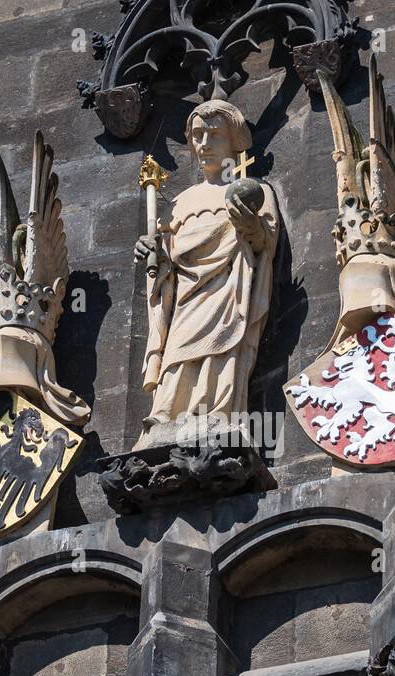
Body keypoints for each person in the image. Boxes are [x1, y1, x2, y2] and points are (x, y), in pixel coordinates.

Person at [132, 99, 278, 448]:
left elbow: (264, 244)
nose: (203, 143)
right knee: (177, 351)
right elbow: (167, 262)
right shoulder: (180, 202)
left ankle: (217, 412)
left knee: (223, 349)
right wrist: (153, 256)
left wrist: (250, 226)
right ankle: (168, 414)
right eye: (197, 135)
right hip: (186, 299)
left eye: (214, 135)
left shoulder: (257, 192)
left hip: (229, 291)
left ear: (234, 141)